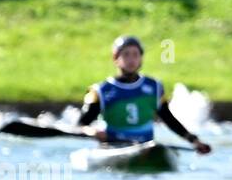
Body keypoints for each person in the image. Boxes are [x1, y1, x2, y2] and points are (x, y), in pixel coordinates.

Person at [77, 36, 212, 154]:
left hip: (147, 148)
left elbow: (169, 120)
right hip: (114, 149)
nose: (131, 59)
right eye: (126, 54)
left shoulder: (154, 87)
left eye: (135, 55)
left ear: (141, 58)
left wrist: (194, 141)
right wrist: (91, 132)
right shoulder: (100, 91)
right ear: (115, 58)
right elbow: (81, 125)